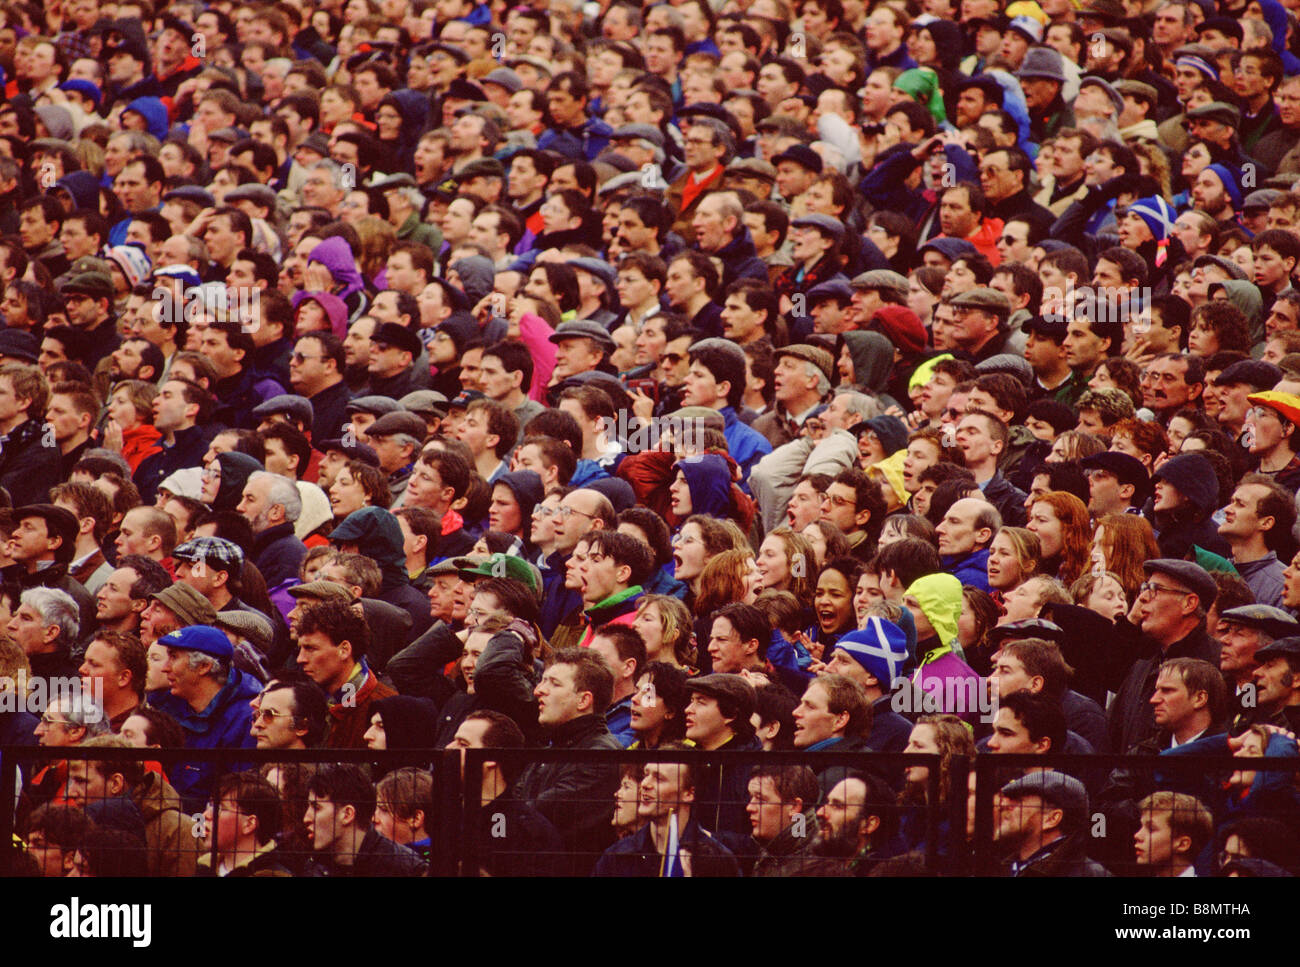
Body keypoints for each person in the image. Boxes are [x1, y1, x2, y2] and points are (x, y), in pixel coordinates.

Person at [515, 647, 623, 874]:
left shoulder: (600, 757)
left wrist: (494, 822)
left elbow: (528, 819)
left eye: (553, 683)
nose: (538, 691)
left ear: (584, 700)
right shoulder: (552, 748)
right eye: (542, 681)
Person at [594, 746, 742, 876]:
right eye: (646, 774)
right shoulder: (616, 856)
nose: (645, 784)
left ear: (689, 794)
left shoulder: (716, 861)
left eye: (659, 779)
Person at [303, 764, 427, 876]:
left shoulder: (408, 870)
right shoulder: (314, 865)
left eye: (316, 807)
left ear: (347, 814)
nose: (306, 818)